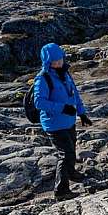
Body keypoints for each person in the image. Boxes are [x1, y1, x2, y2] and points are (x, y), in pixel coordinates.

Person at [30, 43, 92, 200]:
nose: (58, 63)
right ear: (47, 62)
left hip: (68, 121)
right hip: (54, 124)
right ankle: (61, 191)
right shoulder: (43, 79)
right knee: (65, 155)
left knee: (71, 148)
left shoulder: (65, 73)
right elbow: (39, 103)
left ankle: (71, 173)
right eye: (54, 61)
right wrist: (62, 108)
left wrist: (82, 113)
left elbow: (74, 94)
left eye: (60, 59)